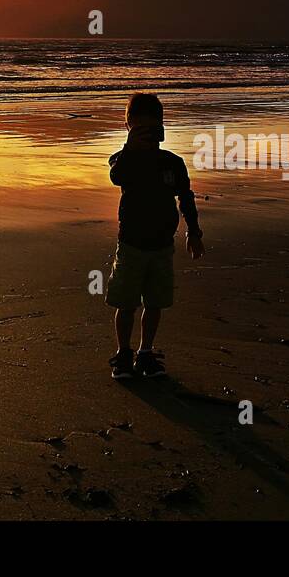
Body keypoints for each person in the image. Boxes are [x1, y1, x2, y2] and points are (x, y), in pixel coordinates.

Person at [105, 93, 205, 378]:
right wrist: (130, 148)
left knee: (155, 302)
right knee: (126, 303)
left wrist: (194, 232)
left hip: (162, 244)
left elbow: (186, 197)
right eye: (139, 129)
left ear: (162, 127)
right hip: (132, 243)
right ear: (128, 128)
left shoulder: (172, 163)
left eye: (152, 128)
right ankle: (123, 353)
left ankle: (145, 352)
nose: (148, 135)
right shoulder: (124, 160)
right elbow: (117, 176)